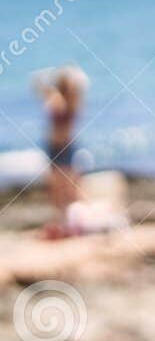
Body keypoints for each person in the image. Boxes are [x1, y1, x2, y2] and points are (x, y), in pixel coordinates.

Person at [30, 63, 89, 237]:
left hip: (63, 147)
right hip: (57, 147)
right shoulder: (63, 99)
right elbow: (37, 86)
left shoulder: (70, 101)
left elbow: (52, 98)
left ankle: (70, 223)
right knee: (58, 188)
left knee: (66, 187)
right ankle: (63, 223)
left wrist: (46, 81)